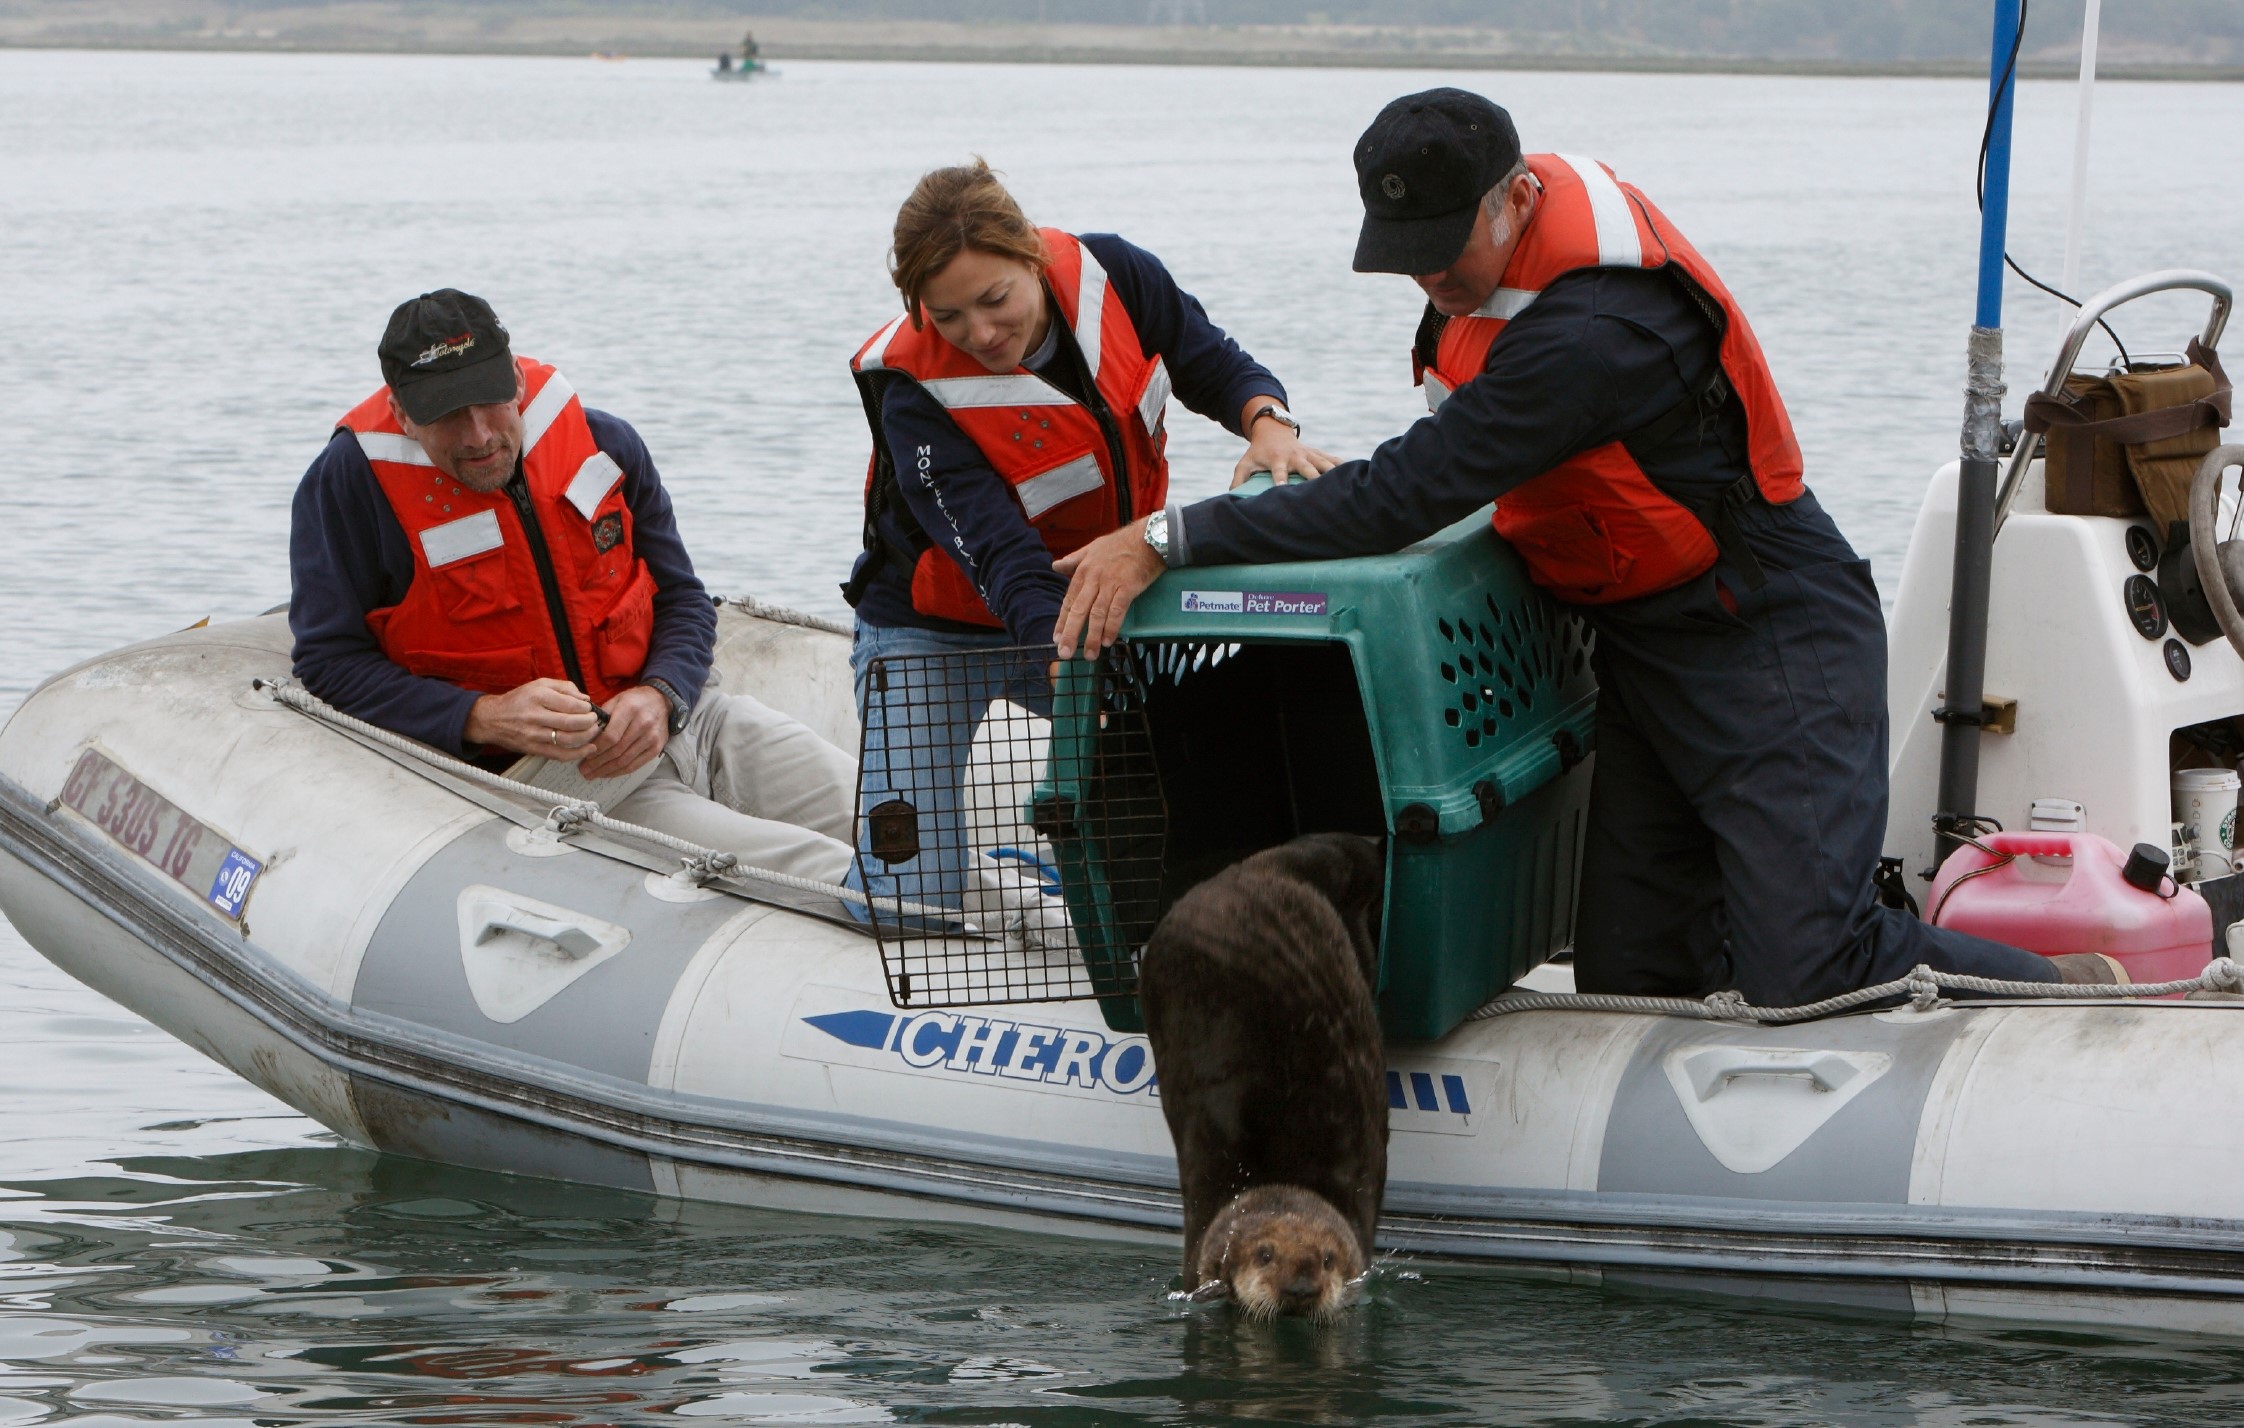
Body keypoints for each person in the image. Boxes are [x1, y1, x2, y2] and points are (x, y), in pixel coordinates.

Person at [1050, 89, 2102, 1004]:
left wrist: (1166, 537)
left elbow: (1402, 496)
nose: (1432, 285)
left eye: (1445, 254)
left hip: (1766, 633)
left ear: (1514, 198)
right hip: (1641, 647)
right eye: (1407, 265)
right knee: (1633, 974)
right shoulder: (1494, 277)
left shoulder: (1594, 331)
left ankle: (2071, 993)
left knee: (1814, 963)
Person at [842, 159, 1333, 919]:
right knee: (904, 902)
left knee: (1192, 781)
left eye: (995, 299)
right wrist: (1079, 676)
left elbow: (1212, 361)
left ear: (1032, 256)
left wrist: (1267, 421)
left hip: (1094, 594)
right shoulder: (913, 393)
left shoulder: (1119, 277)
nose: (980, 333)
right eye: (947, 318)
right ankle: (874, 880)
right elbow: (1004, 562)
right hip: (930, 635)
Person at [290, 288, 857, 882]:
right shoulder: (348, 486)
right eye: (447, 414)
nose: (479, 435)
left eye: (490, 401)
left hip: (694, 718)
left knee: (905, 825)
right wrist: (482, 716)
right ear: (402, 414)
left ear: (517, 380)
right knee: (832, 871)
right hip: (564, 780)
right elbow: (329, 663)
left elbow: (684, 598)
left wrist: (662, 693)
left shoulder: (605, 442)